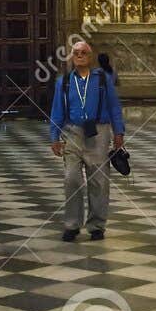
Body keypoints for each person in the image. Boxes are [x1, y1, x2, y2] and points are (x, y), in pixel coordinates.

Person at [49, 39, 126, 241]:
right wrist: (54, 136)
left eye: (84, 52)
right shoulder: (64, 81)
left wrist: (119, 133)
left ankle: (97, 225)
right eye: (76, 52)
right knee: (71, 179)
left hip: (99, 133)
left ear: (90, 57)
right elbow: (57, 110)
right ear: (72, 57)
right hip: (72, 132)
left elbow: (114, 107)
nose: (80, 55)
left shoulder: (102, 80)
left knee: (99, 181)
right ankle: (72, 224)